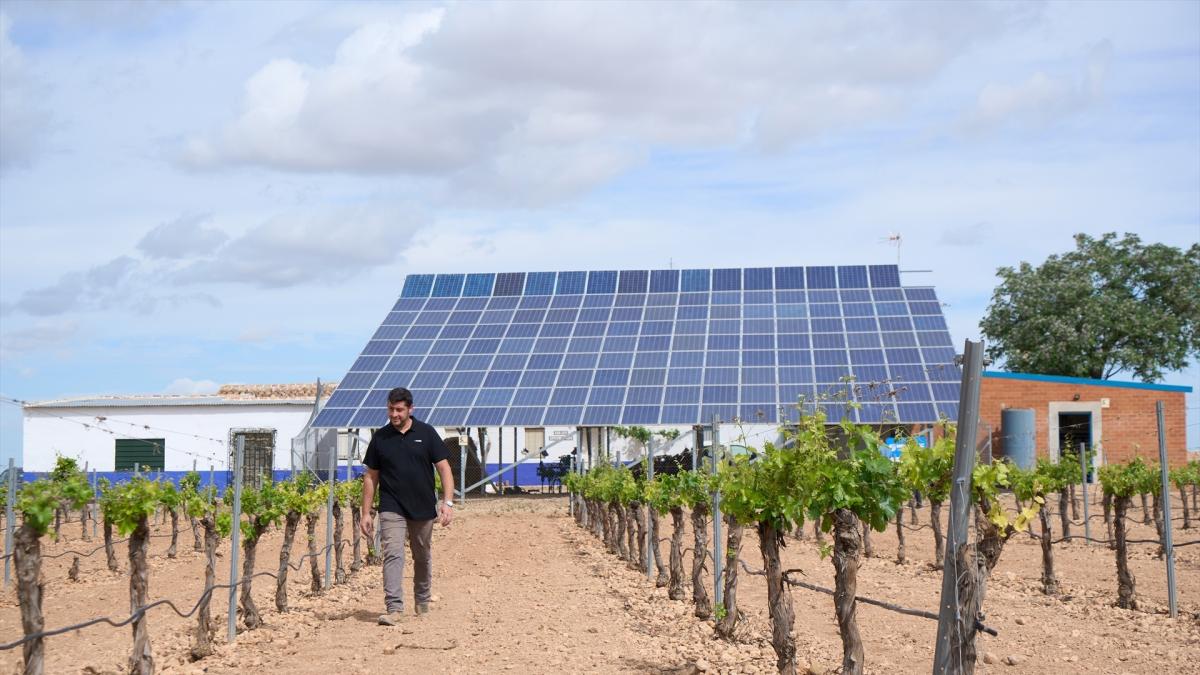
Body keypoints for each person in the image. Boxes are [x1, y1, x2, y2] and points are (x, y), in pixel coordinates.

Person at [360, 387, 455, 625]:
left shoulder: (427, 432)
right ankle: (394, 608)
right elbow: (371, 477)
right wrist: (366, 512)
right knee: (393, 553)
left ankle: (422, 599)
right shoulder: (380, 438)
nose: (394, 414)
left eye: (399, 410)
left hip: (423, 506)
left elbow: (444, 468)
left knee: (422, 555)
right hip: (392, 506)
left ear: (410, 409)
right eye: (391, 409)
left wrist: (447, 502)